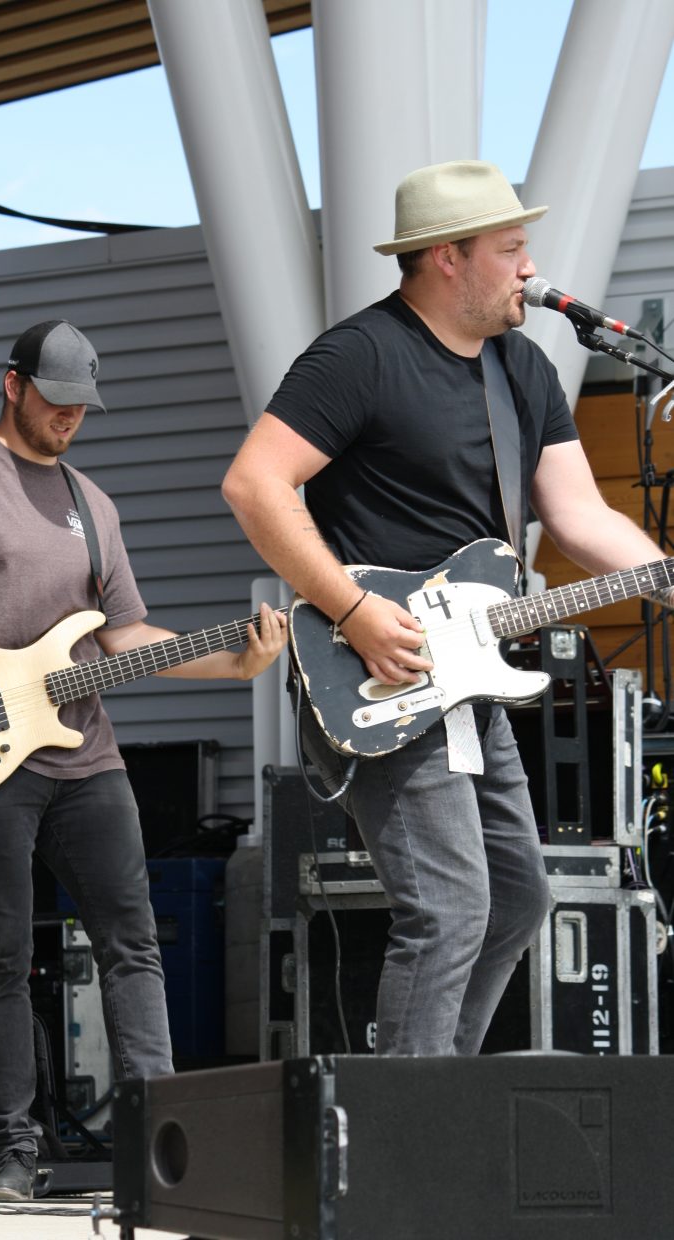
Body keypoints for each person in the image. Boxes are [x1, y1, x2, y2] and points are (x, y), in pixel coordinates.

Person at [222, 159, 671, 1059]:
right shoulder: (358, 356)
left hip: (468, 673)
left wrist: (660, 573)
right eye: (509, 249)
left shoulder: (520, 369)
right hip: (381, 668)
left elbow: (578, 516)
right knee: (451, 904)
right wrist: (353, 609)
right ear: (445, 258)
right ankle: (406, 1122)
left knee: (516, 898)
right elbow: (253, 484)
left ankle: (436, 1090)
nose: (529, 268)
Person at [0, 319, 286, 1201]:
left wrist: (233, 662)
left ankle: (162, 1140)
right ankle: (12, 1153)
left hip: (86, 754)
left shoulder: (94, 505)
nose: (70, 419)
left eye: (82, 406)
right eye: (56, 402)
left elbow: (122, 634)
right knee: (1, 952)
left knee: (133, 942)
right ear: (13, 386)